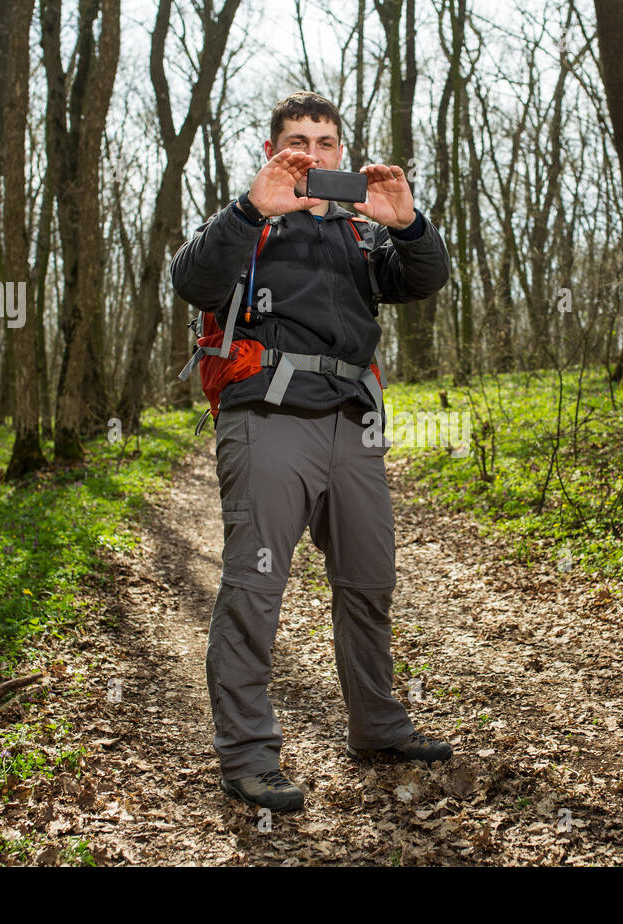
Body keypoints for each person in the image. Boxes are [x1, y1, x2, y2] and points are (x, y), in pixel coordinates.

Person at [170, 91, 453, 812]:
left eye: (325, 142)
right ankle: (249, 757)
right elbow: (190, 281)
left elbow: (422, 280)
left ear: (338, 152)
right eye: (297, 140)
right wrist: (248, 211)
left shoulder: (359, 235)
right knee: (254, 589)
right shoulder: (251, 222)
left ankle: (379, 727)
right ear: (273, 150)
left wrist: (410, 226)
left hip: (353, 424)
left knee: (369, 580)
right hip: (267, 419)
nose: (313, 152)